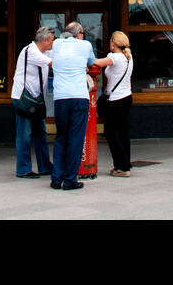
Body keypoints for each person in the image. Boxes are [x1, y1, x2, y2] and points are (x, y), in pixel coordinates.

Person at [49, 21, 96, 190]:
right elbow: (92, 62)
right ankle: (70, 180)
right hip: (79, 96)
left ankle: (56, 179)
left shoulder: (55, 43)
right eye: (82, 32)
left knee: (61, 137)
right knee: (75, 139)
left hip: (60, 97)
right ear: (78, 34)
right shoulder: (85, 45)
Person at [11, 27, 54, 178]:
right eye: (52, 40)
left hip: (35, 99)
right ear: (45, 39)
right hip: (23, 99)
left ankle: (45, 166)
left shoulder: (46, 51)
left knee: (40, 132)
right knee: (24, 134)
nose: (52, 43)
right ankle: (23, 169)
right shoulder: (31, 51)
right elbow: (53, 63)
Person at [94, 31, 134, 178]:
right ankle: (124, 165)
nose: (109, 43)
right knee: (123, 133)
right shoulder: (129, 58)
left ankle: (122, 167)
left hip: (115, 101)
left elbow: (96, 62)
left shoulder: (114, 57)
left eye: (111, 41)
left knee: (111, 133)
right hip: (127, 98)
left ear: (114, 43)